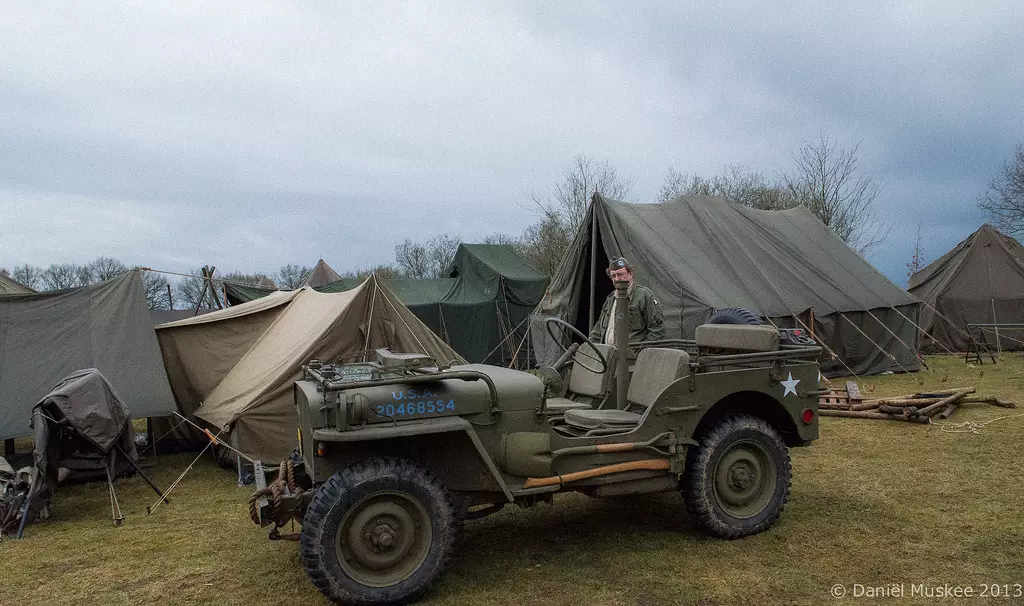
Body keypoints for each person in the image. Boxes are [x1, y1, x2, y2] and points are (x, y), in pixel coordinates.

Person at [588, 257, 666, 345]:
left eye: (621, 274)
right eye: (613, 276)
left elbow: (658, 331)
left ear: (630, 274)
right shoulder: (610, 299)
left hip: (632, 356)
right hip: (608, 355)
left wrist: (641, 353)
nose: (617, 279)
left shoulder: (644, 295)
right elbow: (598, 331)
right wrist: (590, 347)